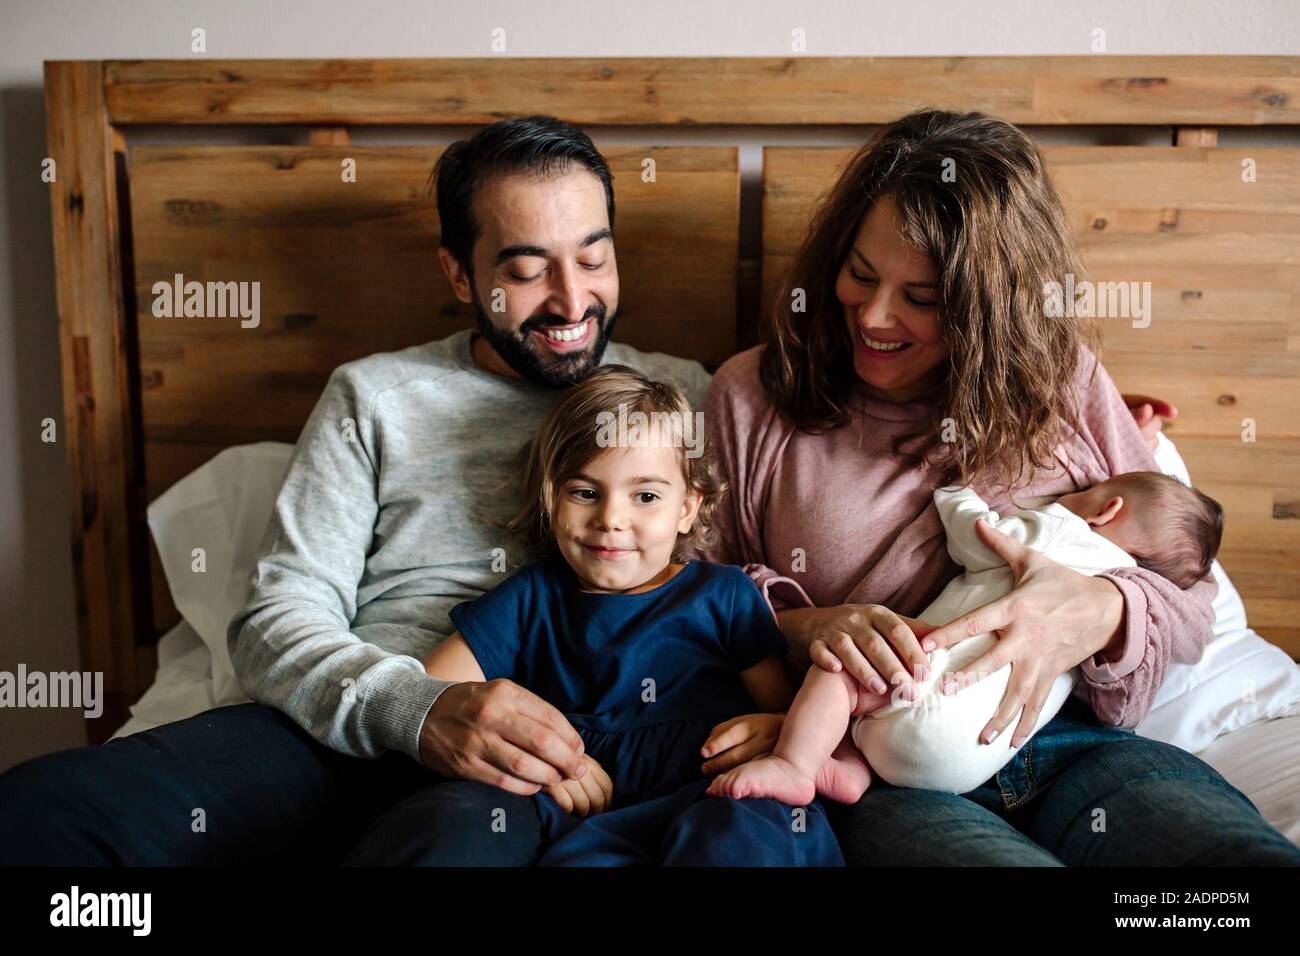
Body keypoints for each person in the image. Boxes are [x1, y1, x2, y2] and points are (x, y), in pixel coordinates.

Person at [0, 116, 712, 866]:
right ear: (459, 274)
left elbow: (737, 598)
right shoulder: (376, 397)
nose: (572, 303)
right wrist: (418, 709)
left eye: (594, 258)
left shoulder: (684, 396)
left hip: (557, 760)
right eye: (527, 272)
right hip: (363, 728)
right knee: (39, 813)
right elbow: (275, 622)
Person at [692, 108, 1300, 865]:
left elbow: (1193, 609)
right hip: (894, 770)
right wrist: (802, 627)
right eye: (861, 273)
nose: (875, 316)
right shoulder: (754, 396)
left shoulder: (1062, 382)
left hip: (1081, 749)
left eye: (924, 297)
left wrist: (1104, 607)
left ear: (993, 309)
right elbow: (684, 595)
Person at [414, 366, 843, 865]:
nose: (611, 519)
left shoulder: (724, 593)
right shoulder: (532, 598)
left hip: (712, 789)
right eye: (584, 492)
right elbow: (433, 692)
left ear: (686, 507)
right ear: (552, 499)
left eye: (646, 496)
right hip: (575, 802)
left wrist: (779, 732)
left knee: (742, 836)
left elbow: (785, 708)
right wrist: (552, 763)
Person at [708, 471, 1224, 803]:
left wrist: (957, 495)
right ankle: (847, 773)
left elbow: (978, 537)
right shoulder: (1120, 567)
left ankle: (799, 765)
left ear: (1106, 510)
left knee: (843, 672)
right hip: (976, 757)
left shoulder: (1060, 531)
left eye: (1084, 489)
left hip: (925, 704)